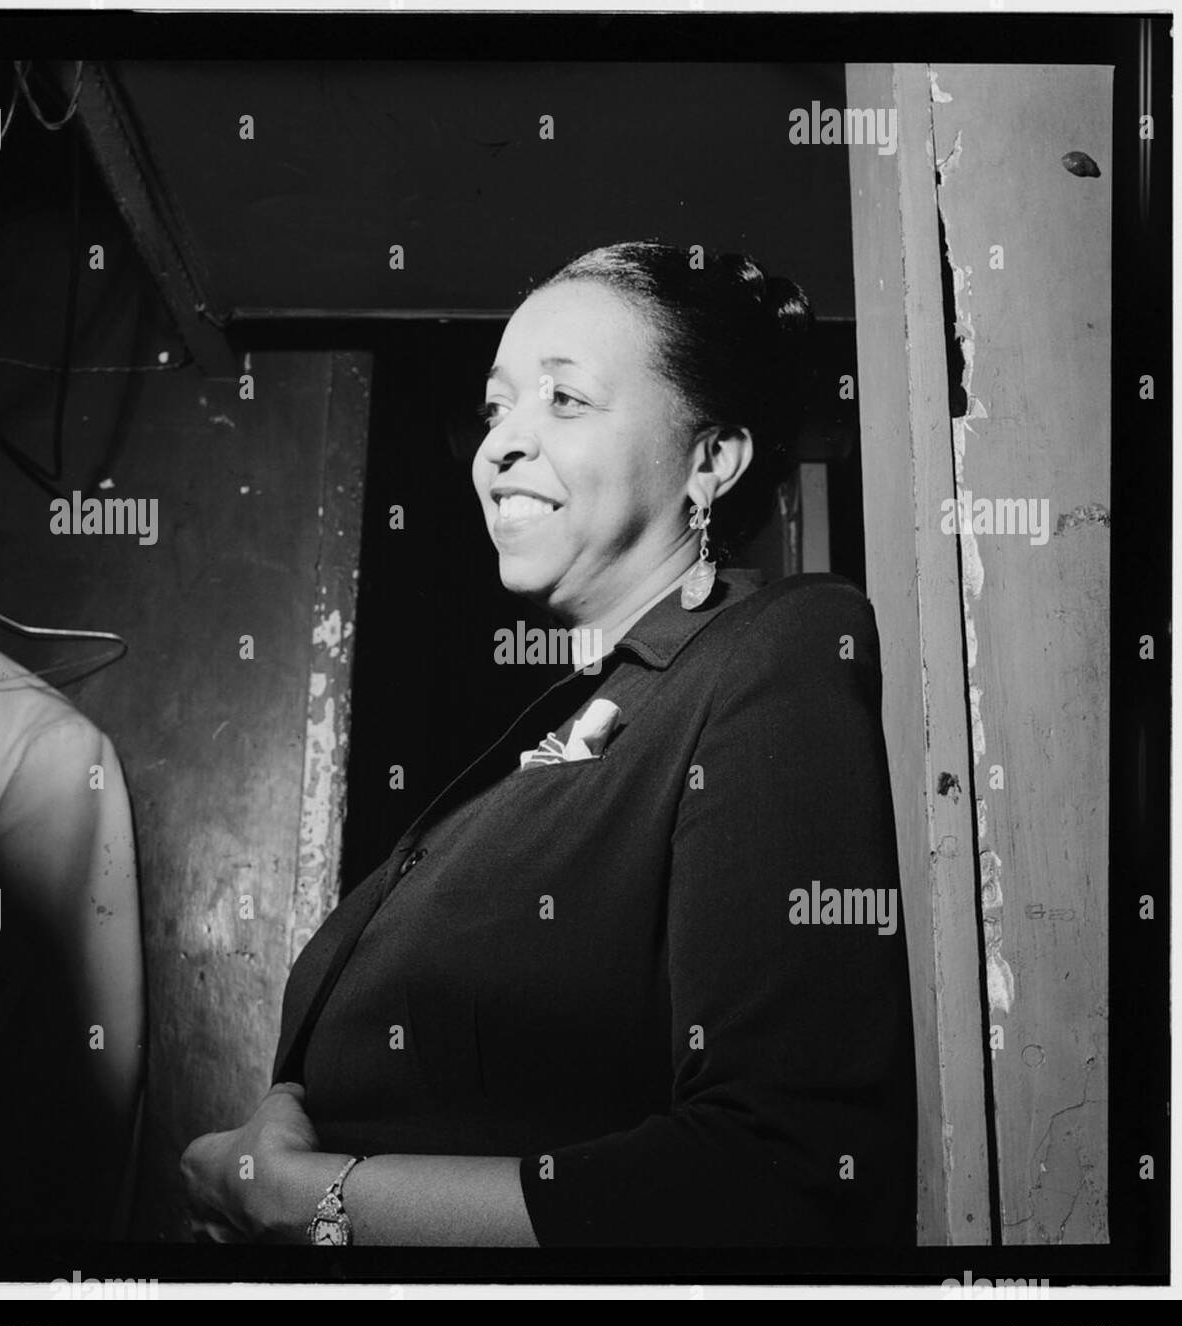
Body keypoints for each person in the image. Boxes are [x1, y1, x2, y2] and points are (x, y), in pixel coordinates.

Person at [182, 241, 916, 1248]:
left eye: (563, 400)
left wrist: (312, 1199)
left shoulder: (775, 648)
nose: (499, 447)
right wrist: (283, 1118)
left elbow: (778, 1170)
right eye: (495, 409)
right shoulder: (571, 719)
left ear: (711, 459)